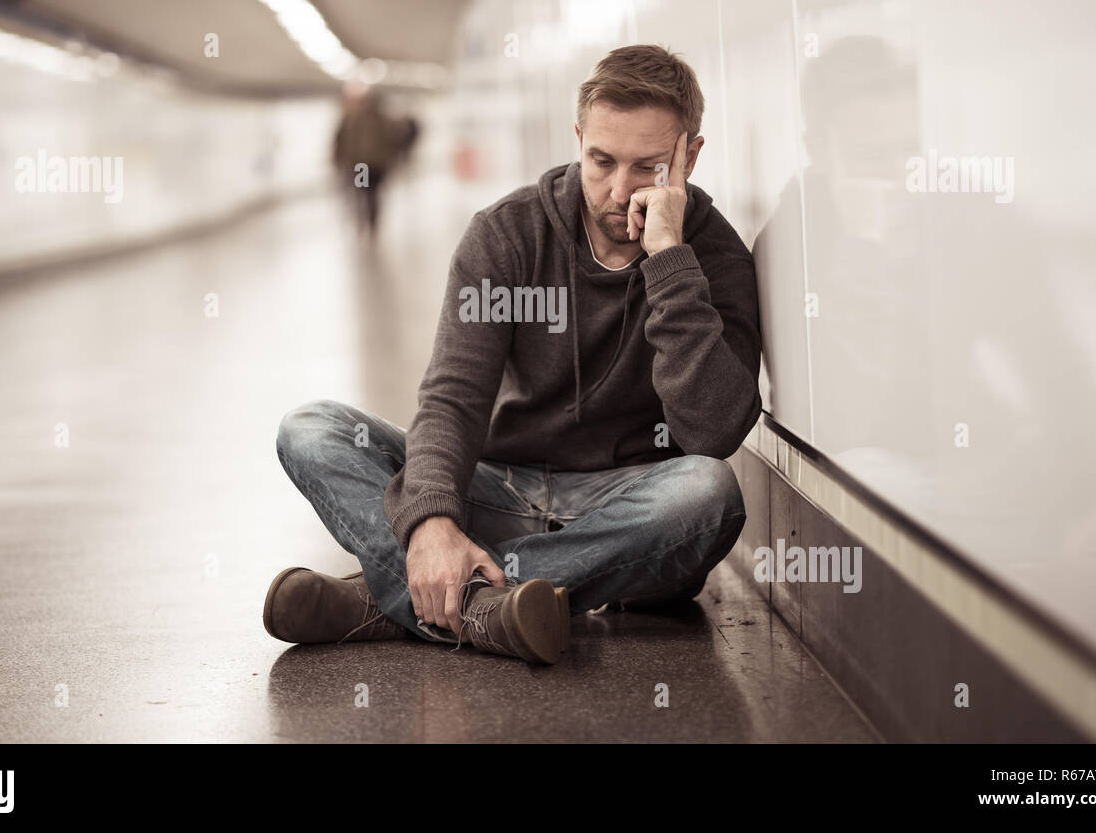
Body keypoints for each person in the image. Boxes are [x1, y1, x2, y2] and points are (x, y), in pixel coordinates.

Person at [269, 45, 763, 664]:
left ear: (690, 156)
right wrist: (431, 525)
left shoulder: (712, 259)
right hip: (498, 490)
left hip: (627, 508)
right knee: (311, 428)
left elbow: (712, 432)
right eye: (601, 160)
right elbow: (455, 396)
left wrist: (668, 262)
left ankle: (394, 601)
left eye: (649, 168)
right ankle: (482, 605)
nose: (618, 190)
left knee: (709, 493)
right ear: (578, 137)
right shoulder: (508, 235)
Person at [331, 84, 416, 236]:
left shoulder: (354, 117)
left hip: (362, 164)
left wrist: (342, 158)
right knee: (373, 193)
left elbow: (343, 140)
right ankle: (371, 220)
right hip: (377, 164)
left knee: (362, 192)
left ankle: (363, 219)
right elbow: (393, 141)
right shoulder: (384, 119)